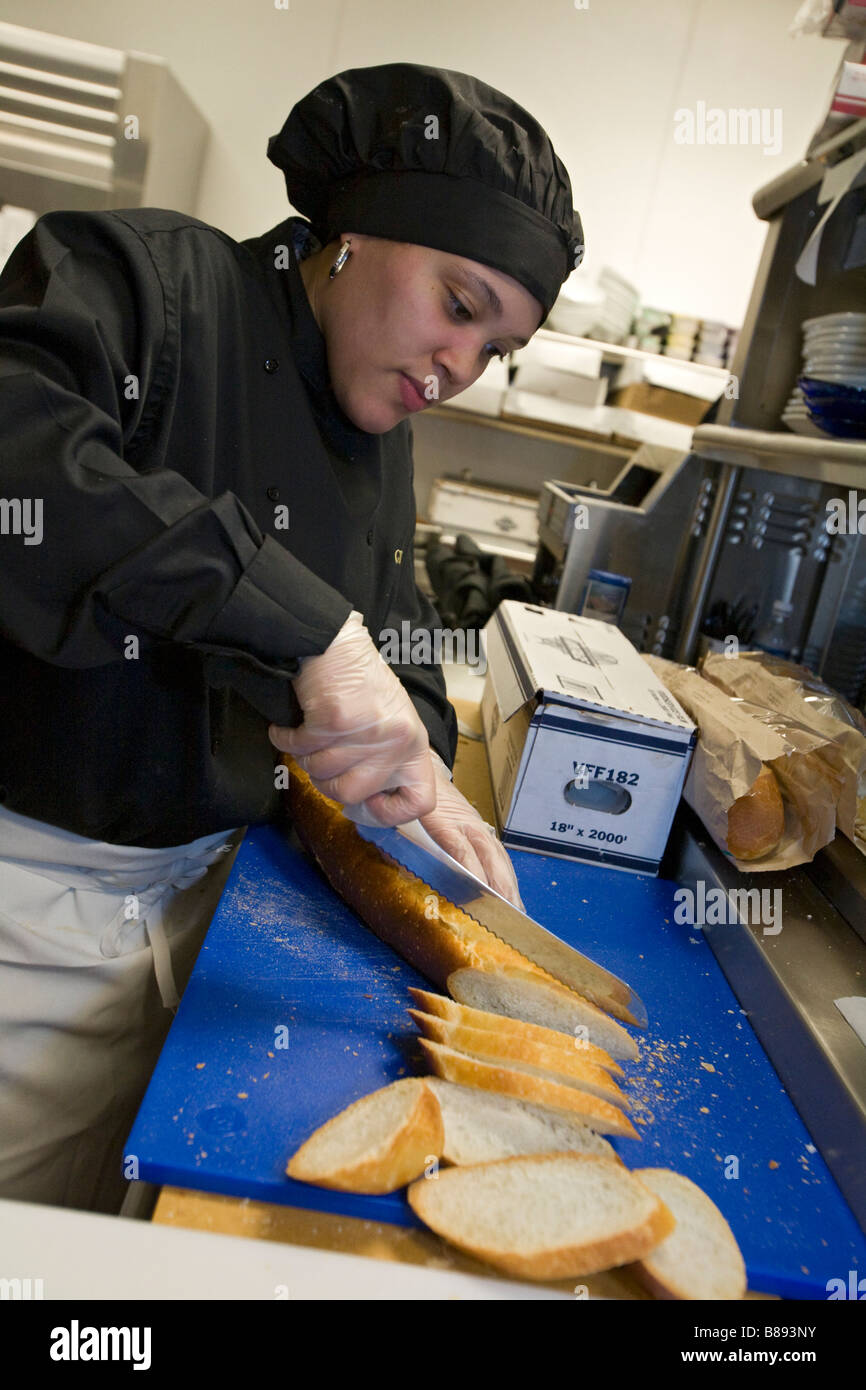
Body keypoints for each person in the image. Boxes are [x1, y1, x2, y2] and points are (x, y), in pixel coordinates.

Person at [0, 62, 584, 1213]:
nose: (459, 368)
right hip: (28, 918)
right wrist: (306, 630)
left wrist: (413, 766)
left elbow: (398, 645)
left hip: (206, 926)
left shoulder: (378, 427)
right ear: (355, 236)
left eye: (494, 350)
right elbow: (29, 468)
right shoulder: (141, 284)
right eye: (460, 307)